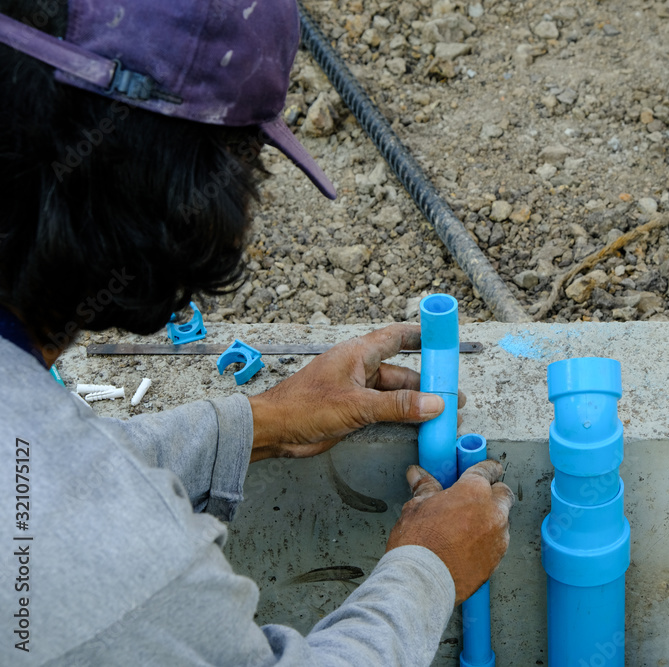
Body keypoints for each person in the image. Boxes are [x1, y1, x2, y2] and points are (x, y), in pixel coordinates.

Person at [0, 0, 515, 665]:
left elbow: (39, 475)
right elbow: (74, 523)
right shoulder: (140, 573)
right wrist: (429, 567)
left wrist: (254, 424)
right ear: (179, 205)